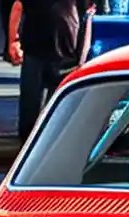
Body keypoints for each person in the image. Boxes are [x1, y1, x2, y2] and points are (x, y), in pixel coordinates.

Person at [8, 0, 88, 143]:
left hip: (66, 56)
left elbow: (87, 18)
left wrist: (82, 56)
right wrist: (14, 40)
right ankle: (27, 148)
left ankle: (53, 146)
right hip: (35, 52)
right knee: (30, 107)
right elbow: (18, 7)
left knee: (59, 109)